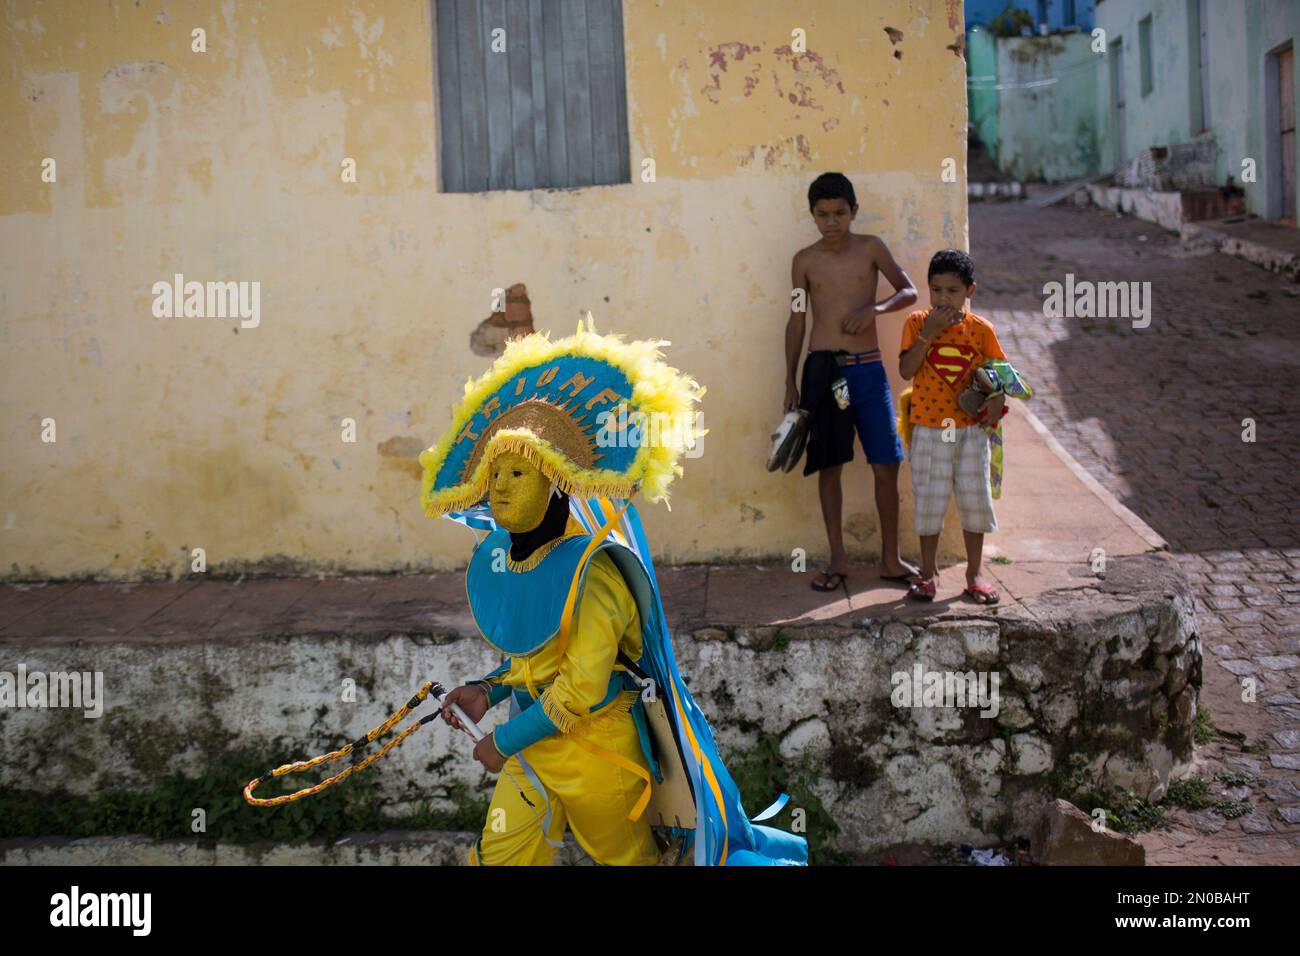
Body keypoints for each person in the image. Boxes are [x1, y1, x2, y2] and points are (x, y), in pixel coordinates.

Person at [420, 317, 807, 866]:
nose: (498, 486)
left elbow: (578, 690)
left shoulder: (595, 575)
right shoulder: (513, 559)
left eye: (517, 474)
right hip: (533, 748)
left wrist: (502, 742)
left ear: (557, 482)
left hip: (598, 755)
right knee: (500, 858)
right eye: (496, 472)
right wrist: (490, 690)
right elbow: (534, 655)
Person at [783, 172, 919, 592]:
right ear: (811, 216)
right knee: (829, 464)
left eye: (840, 212)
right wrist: (789, 379)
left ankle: (890, 559)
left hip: (868, 369)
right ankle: (837, 558)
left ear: (854, 211)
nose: (831, 221)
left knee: (887, 461)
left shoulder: (870, 248)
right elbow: (798, 318)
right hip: (824, 371)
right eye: (822, 214)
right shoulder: (804, 260)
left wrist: (873, 310)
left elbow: (909, 291)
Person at [898, 248, 1009, 605]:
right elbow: (905, 370)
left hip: (971, 431)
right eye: (936, 290)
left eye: (952, 291)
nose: (943, 298)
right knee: (929, 503)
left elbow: (1000, 377)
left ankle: (974, 575)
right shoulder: (917, 323)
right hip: (929, 428)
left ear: (970, 291)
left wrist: (995, 400)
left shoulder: (981, 331)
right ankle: (927, 575)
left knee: (975, 502)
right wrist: (928, 335)